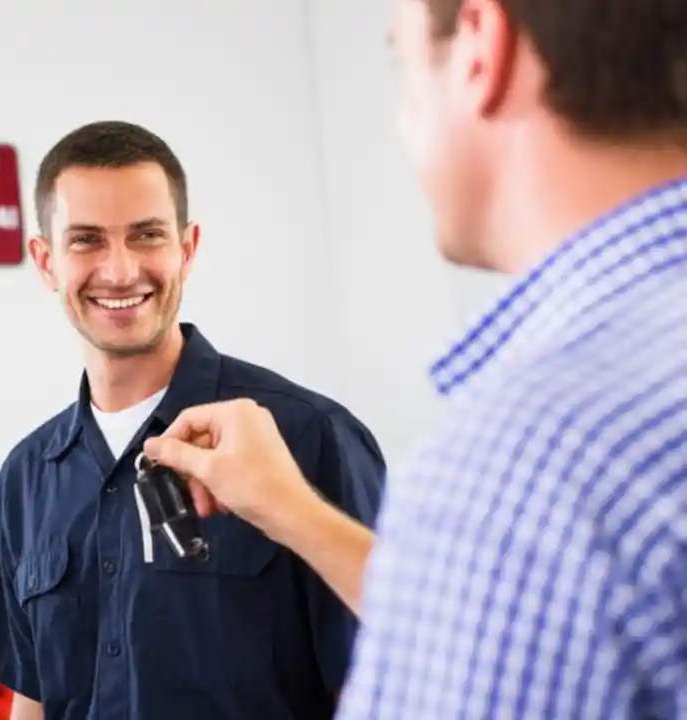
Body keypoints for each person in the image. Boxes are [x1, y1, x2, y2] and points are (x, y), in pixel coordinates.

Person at [142, 1, 687, 718]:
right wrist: (299, 513)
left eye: (403, 64)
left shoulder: (523, 461)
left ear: (478, 51)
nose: (401, 120)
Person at [0, 120, 387, 720]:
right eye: (86, 240)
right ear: (45, 262)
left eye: (146, 235)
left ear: (186, 250)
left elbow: (390, 680)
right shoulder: (24, 478)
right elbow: (31, 699)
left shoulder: (307, 436)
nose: (118, 271)